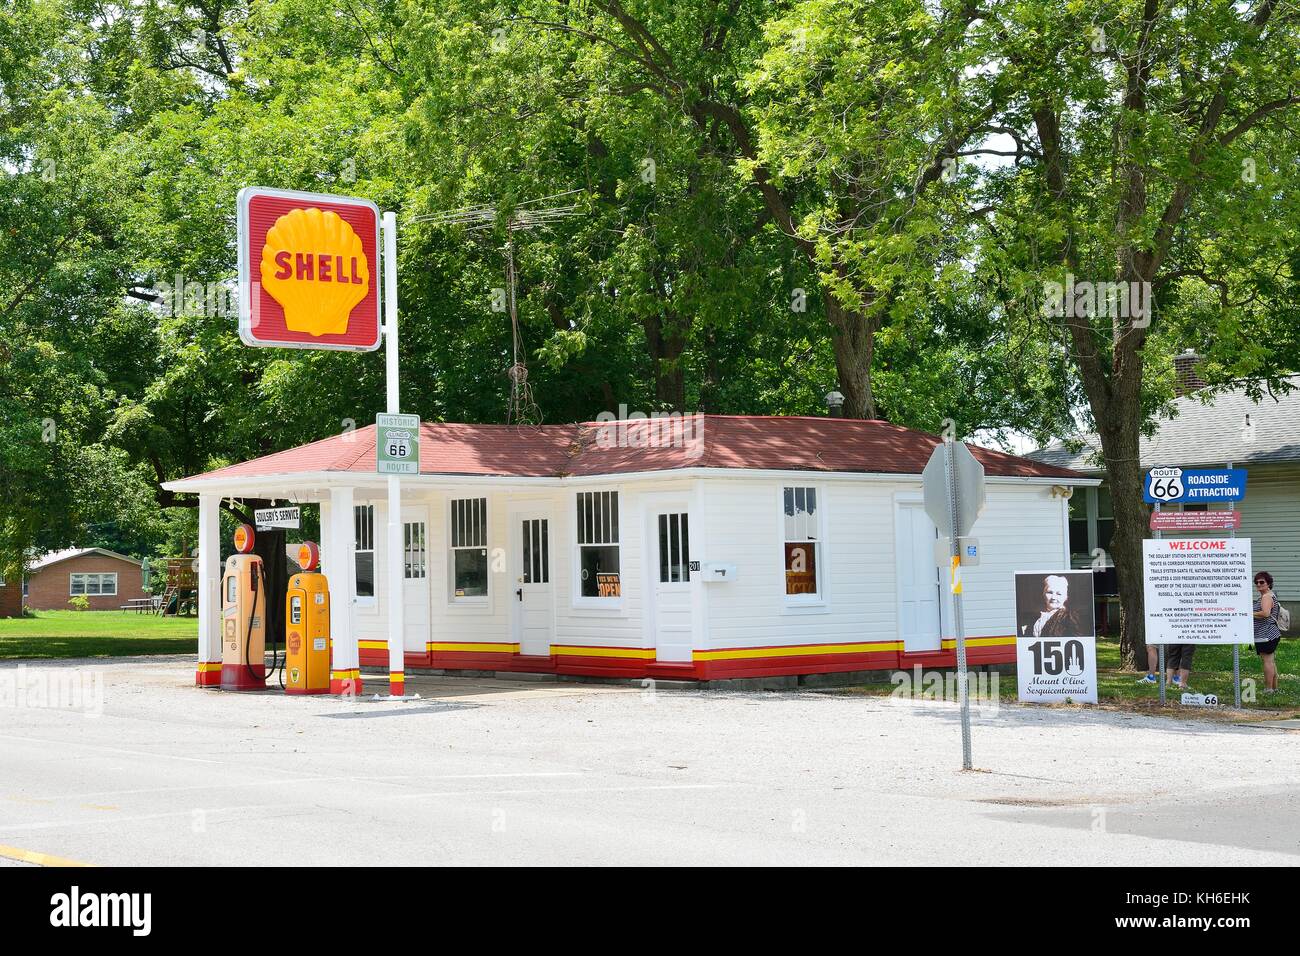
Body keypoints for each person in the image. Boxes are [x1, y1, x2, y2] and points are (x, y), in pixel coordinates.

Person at [1019, 574, 1086, 637]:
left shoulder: (1069, 617)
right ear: (1043, 594)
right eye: (1050, 592)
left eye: (1059, 594)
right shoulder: (1036, 618)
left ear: (1066, 597)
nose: (1053, 597)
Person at [1252, 570, 1282, 693]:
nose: (1259, 584)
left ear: (1268, 583)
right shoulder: (1269, 595)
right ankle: (1274, 688)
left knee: (1268, 661)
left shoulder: (1266, 596)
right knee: (1271, 661)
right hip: (1269, 633)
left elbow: (1265, 613)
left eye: (1262, 582)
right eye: (1256, 582)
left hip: (1266, 634)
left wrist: (1248, 614)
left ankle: (1268, 689)